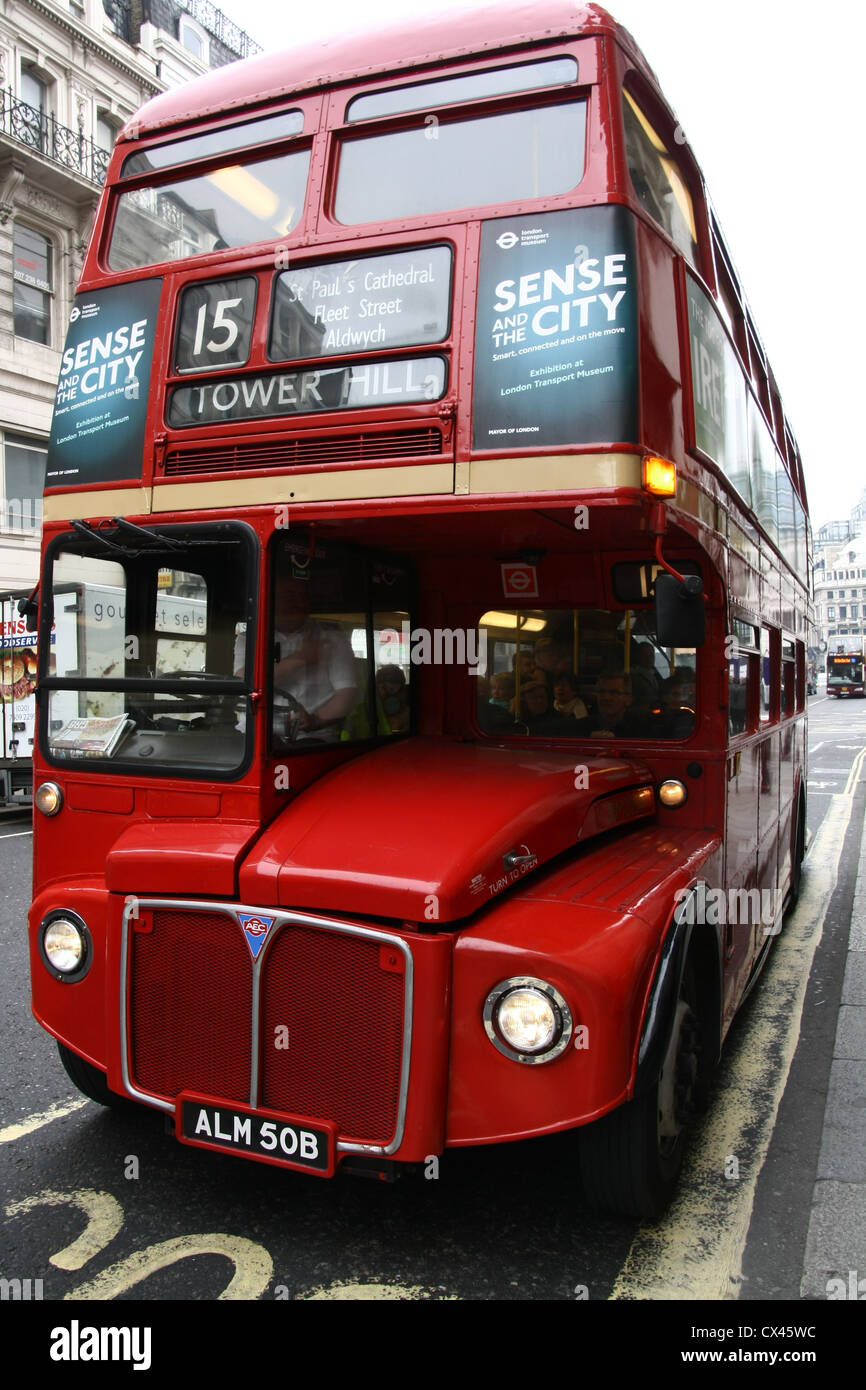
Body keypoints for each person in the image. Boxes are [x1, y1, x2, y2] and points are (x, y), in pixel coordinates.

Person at [235, 561, 357, 742]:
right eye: (290, 596)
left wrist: (315, 720)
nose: (299, 603)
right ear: (272, 599)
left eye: (303, 596)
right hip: (254, 735)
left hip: (312, 737)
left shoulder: (332, 638)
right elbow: (244, 682)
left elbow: (348, 692)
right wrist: (301, 659)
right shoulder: (249, 638)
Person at [575, 672, 647, 738]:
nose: (606, 697)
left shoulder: (642, 731)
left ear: (628, 699)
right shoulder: (580, 728)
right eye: (601, 692)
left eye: (614, 692)